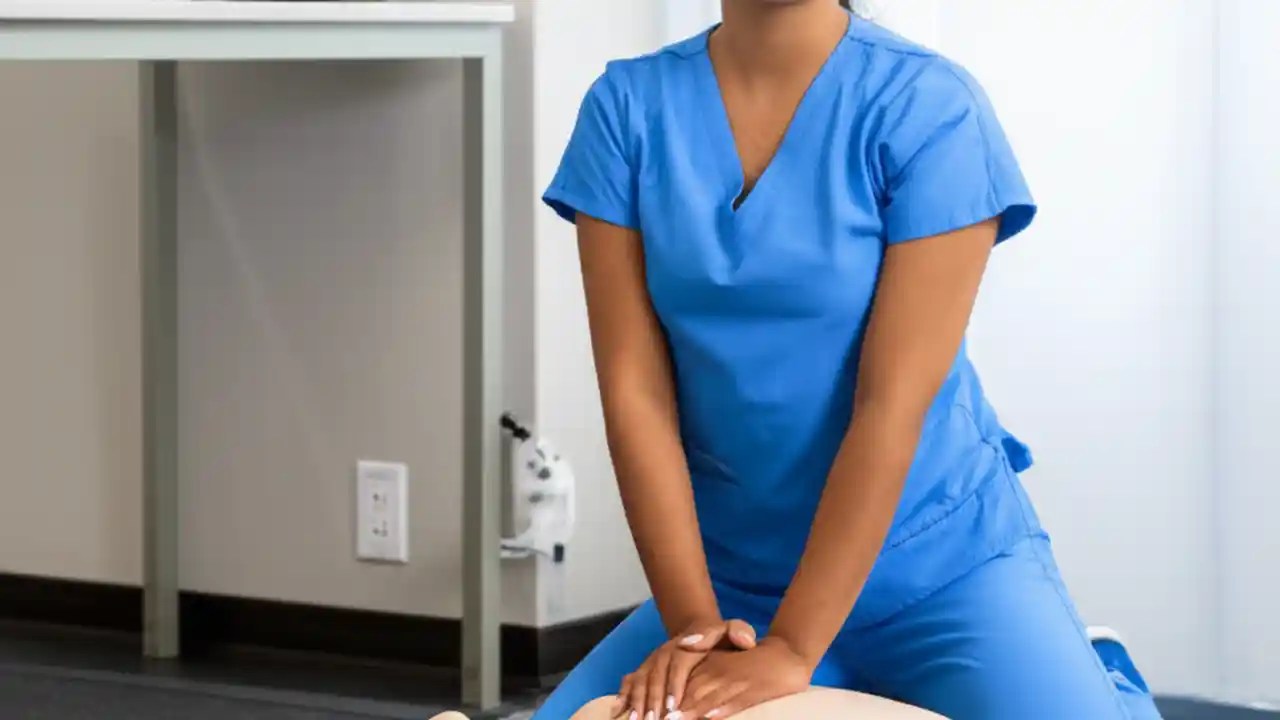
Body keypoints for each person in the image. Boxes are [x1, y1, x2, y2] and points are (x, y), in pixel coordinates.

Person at [538, 1, 1164, 719]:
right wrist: (695, 630)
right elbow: (635, 396)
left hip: (940, 572)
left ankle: (1103, 676)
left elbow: (892, 404)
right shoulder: (626, 108)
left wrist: (796, 647)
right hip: (735, 585)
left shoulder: (930, 107)